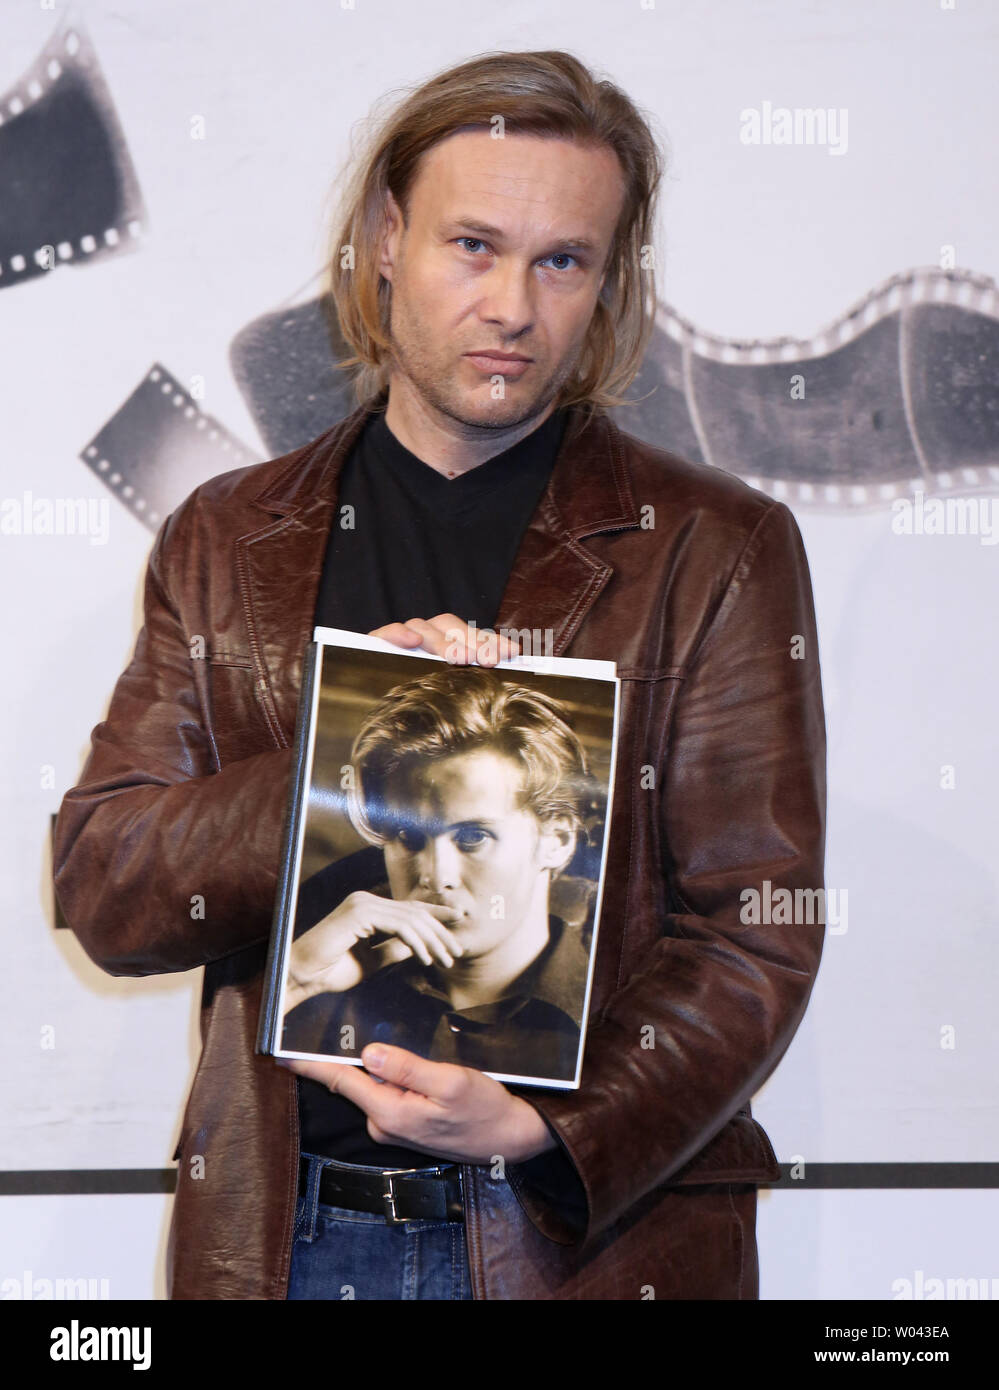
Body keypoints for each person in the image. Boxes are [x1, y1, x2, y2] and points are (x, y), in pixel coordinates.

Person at [53, 48, 826, 1300]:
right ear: (383, 240)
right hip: (284, 1240)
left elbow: (761, 929)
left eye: (563, 259)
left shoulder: (712, 550)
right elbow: (106, 887)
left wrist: (545, 1128)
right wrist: (322, 765)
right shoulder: (224, 539)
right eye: (474, 245)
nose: (515, 305)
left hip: (585, 1242)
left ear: (609, 282)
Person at [281, 665, 596, 1085]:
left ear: (556, 839)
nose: (435, 877)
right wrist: (296, 980)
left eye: (472, 836)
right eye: (409, 836)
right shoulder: (323, 980)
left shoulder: (616, 1011)